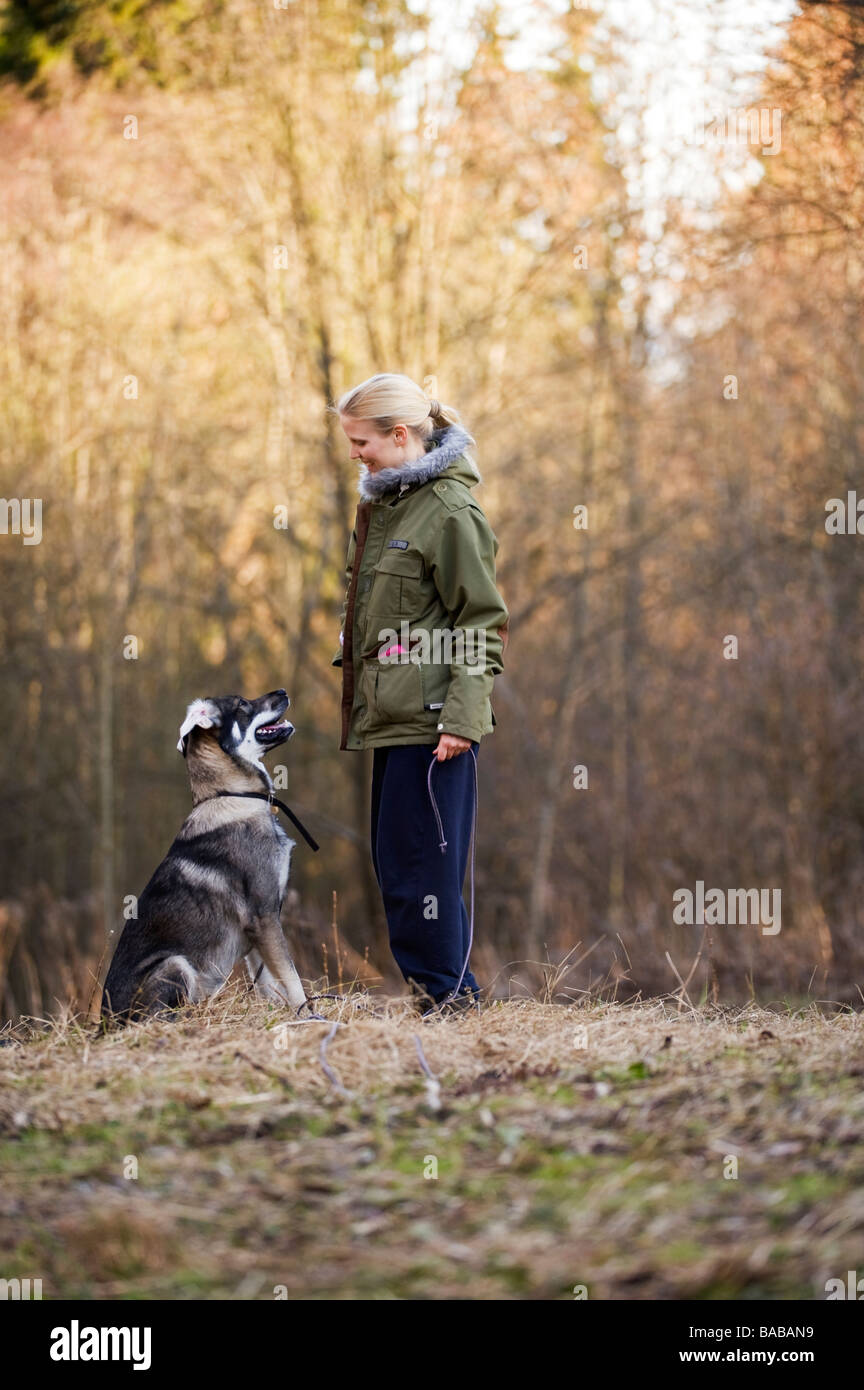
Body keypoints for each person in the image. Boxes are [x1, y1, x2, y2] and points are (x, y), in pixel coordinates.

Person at [328, 373, 509, 1016]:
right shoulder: (390, 506)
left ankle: (452, 1006)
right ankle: (442, 1001)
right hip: (396, 719)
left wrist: (461, 720)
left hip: (437, 729)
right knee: (399, 869)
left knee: (423, 874)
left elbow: (480, 622)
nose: (355, 454)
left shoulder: (451, 512)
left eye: (362, 441)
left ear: (400, 435)